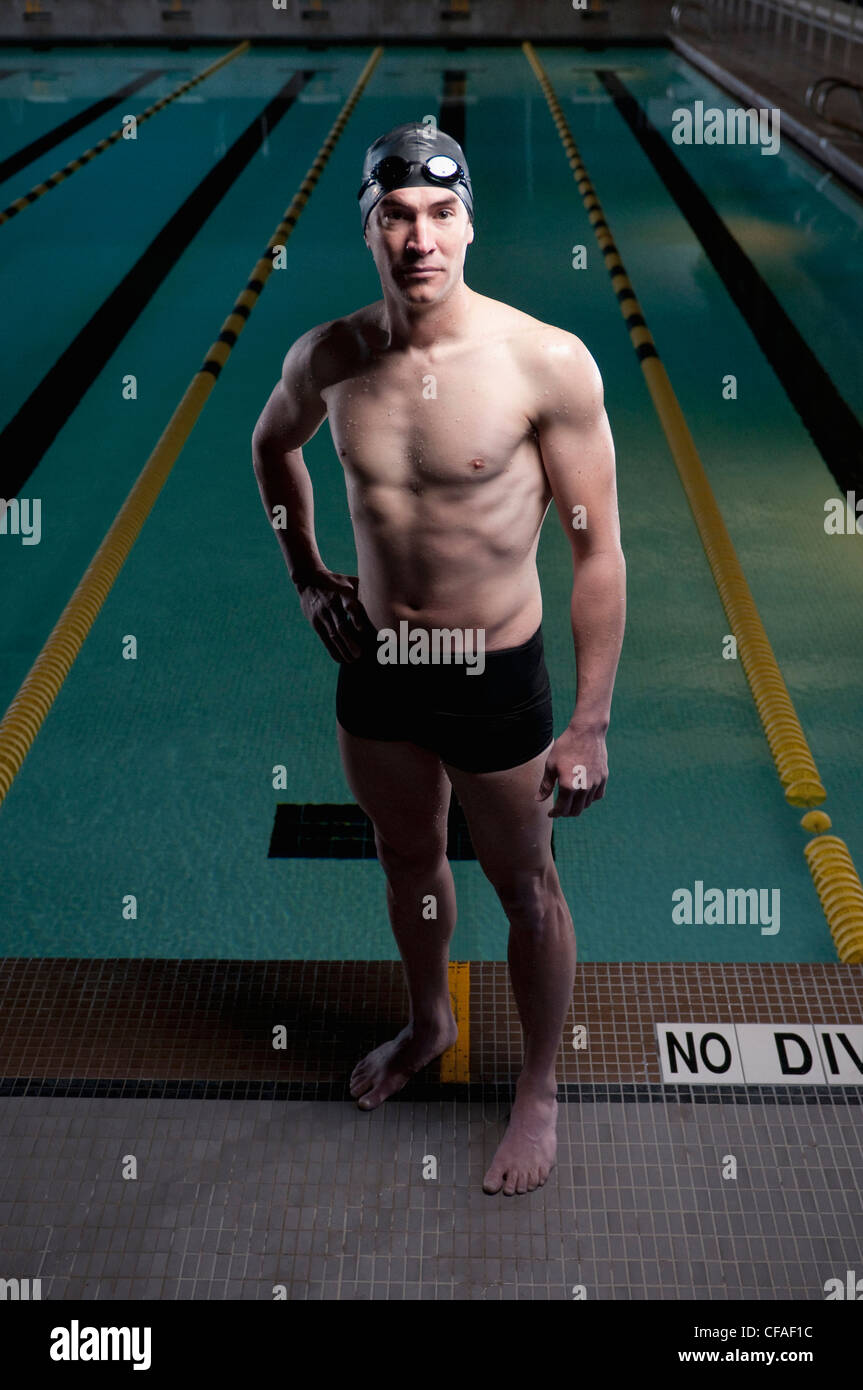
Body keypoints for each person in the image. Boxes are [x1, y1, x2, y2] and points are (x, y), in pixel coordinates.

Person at [252, 123, 626, 1196]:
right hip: (378, 668)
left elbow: (595, 553)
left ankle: (538, 1088)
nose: (420, 238)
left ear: (469, 221)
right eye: (396, 216)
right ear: (369, 227)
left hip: (494, 678)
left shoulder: (542, 362)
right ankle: (428, 1022)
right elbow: (268, 446)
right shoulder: (327, 358)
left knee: (526, 887)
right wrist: (305, 570)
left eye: (439, 213)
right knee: (406, 861)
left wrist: (589, 721)